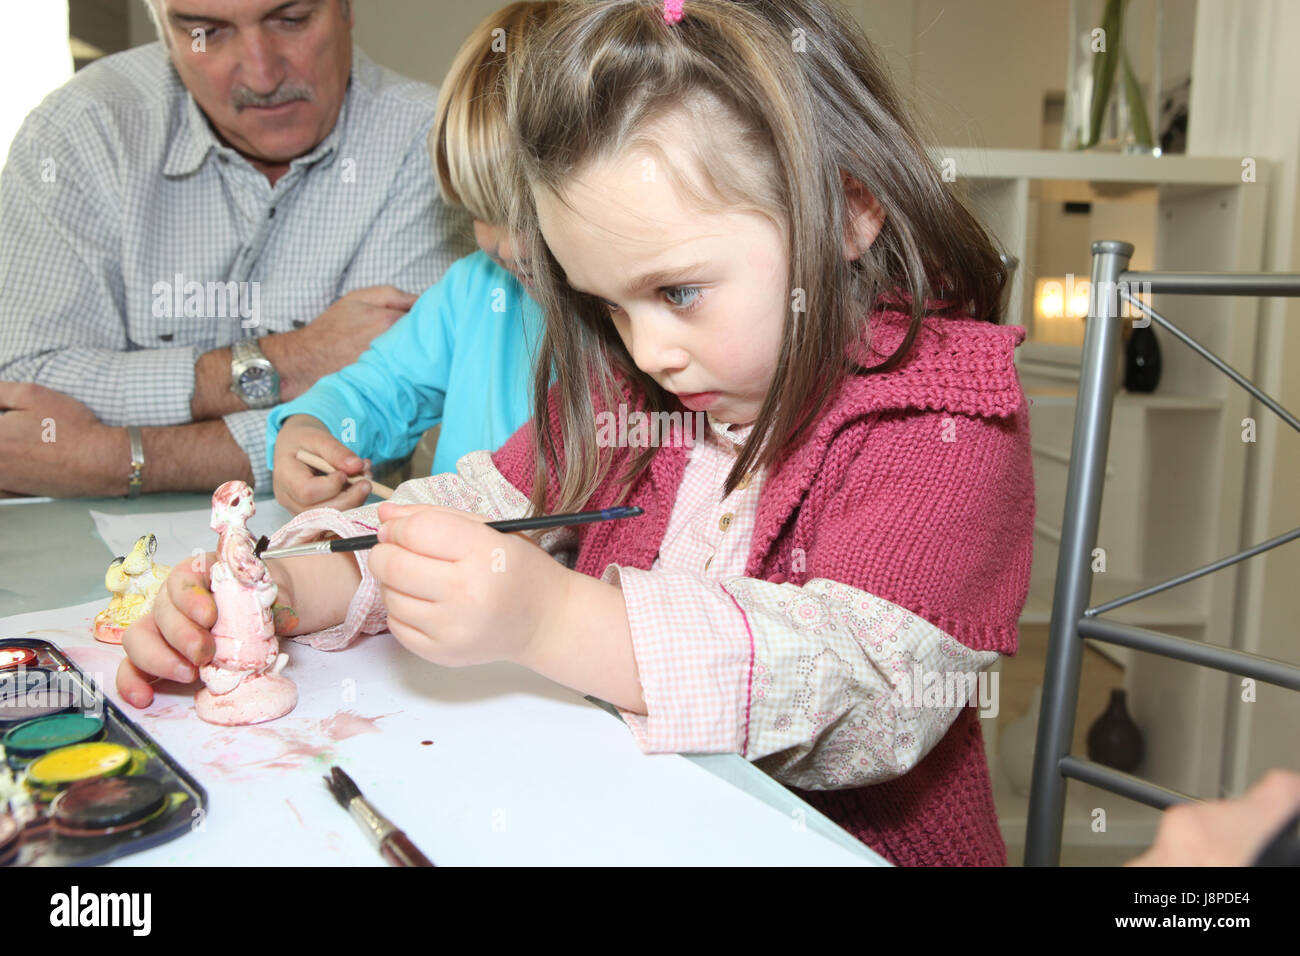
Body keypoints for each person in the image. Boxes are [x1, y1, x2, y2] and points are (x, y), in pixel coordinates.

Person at [117, 0, 1032, 867]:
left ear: (850, 211)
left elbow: (871, 688)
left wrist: (554, 618)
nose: (650, 349)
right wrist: (280, 590)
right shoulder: (630, 393)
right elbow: (470, 505)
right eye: (610, 305)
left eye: (678, 292)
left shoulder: (943, 419)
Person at [0, 0, 472, 497]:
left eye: (291, 20)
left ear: (346, 8)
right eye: (207, 31)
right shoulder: (80, 131)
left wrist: (112, 458)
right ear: (162, 27)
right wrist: (290, 359)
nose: (263, 76)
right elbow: (21, 391)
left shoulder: (428, 139)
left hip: (324, 552)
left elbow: (368, 426)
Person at [268, 2, 554, 516]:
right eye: (484, 212)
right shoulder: (472, 292)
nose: (509, 248)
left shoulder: (658, 338)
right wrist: (308, 432)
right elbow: (376, 391)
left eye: (533, 216)